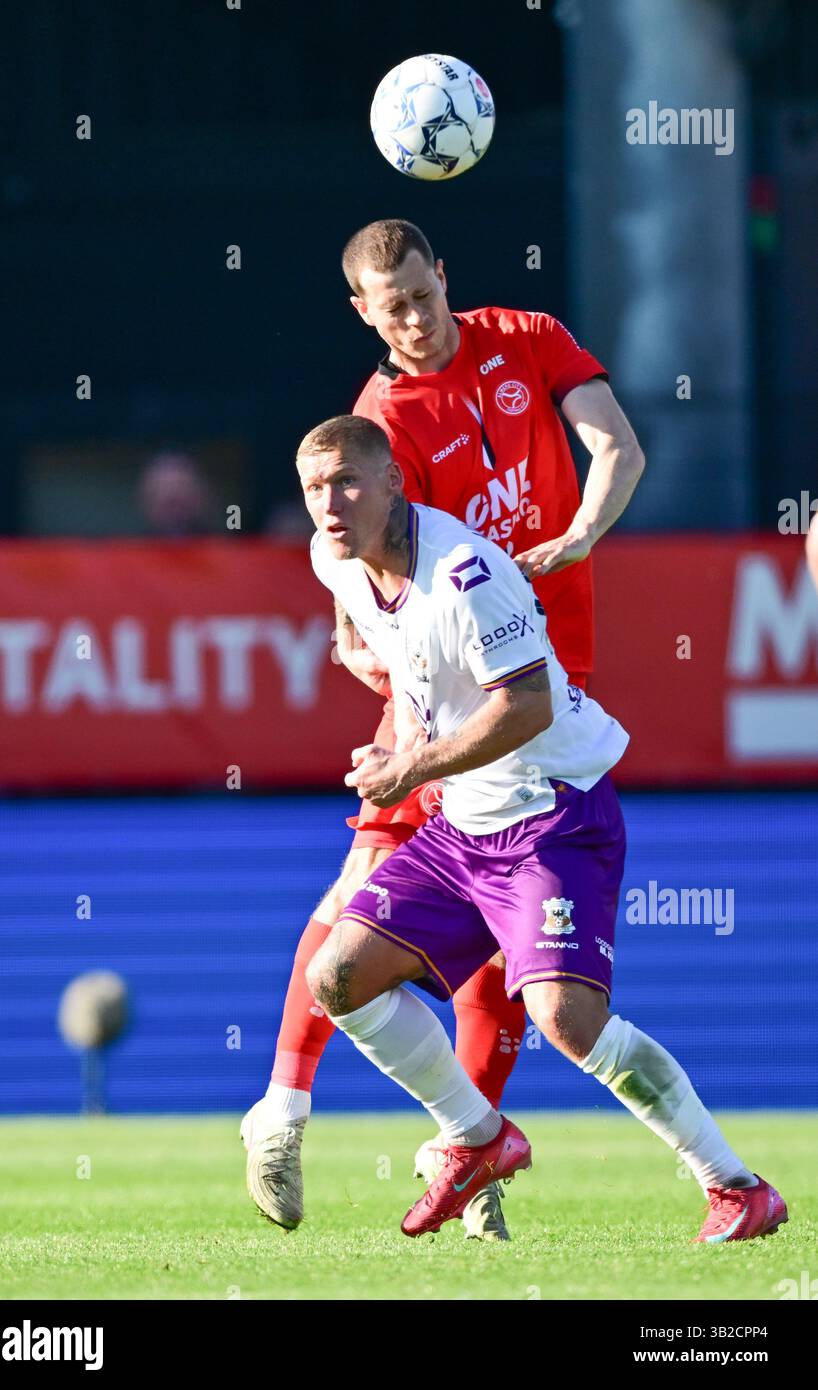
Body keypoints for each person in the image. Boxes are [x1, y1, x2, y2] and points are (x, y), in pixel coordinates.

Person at [242, 219, 645, 1238]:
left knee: (507, 949)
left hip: (547, 675)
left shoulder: (527, 334)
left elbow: (615, 443)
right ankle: (281, 1108)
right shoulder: (382, 415)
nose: (413, 323)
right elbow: (365, 560)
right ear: (363, 317)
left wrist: (582, 533)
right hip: (446, 692)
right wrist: (358, 645)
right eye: (391, 311)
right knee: (356, 894)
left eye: (423, 298)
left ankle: (470, 1158)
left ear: (444, 280)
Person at [297, 414, 787, 1243]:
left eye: (348, 481)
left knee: (567, 1022)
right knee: (337, 977)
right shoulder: (332, 561)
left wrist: (411, 766)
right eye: (314, 488)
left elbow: (530, 703)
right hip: (463, 823)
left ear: (393, 483)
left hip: (552, 812)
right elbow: (368, 638)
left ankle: (736, 1187)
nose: (331, 504)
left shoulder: (467, 573)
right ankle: (479, 1138)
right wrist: (403, 721)